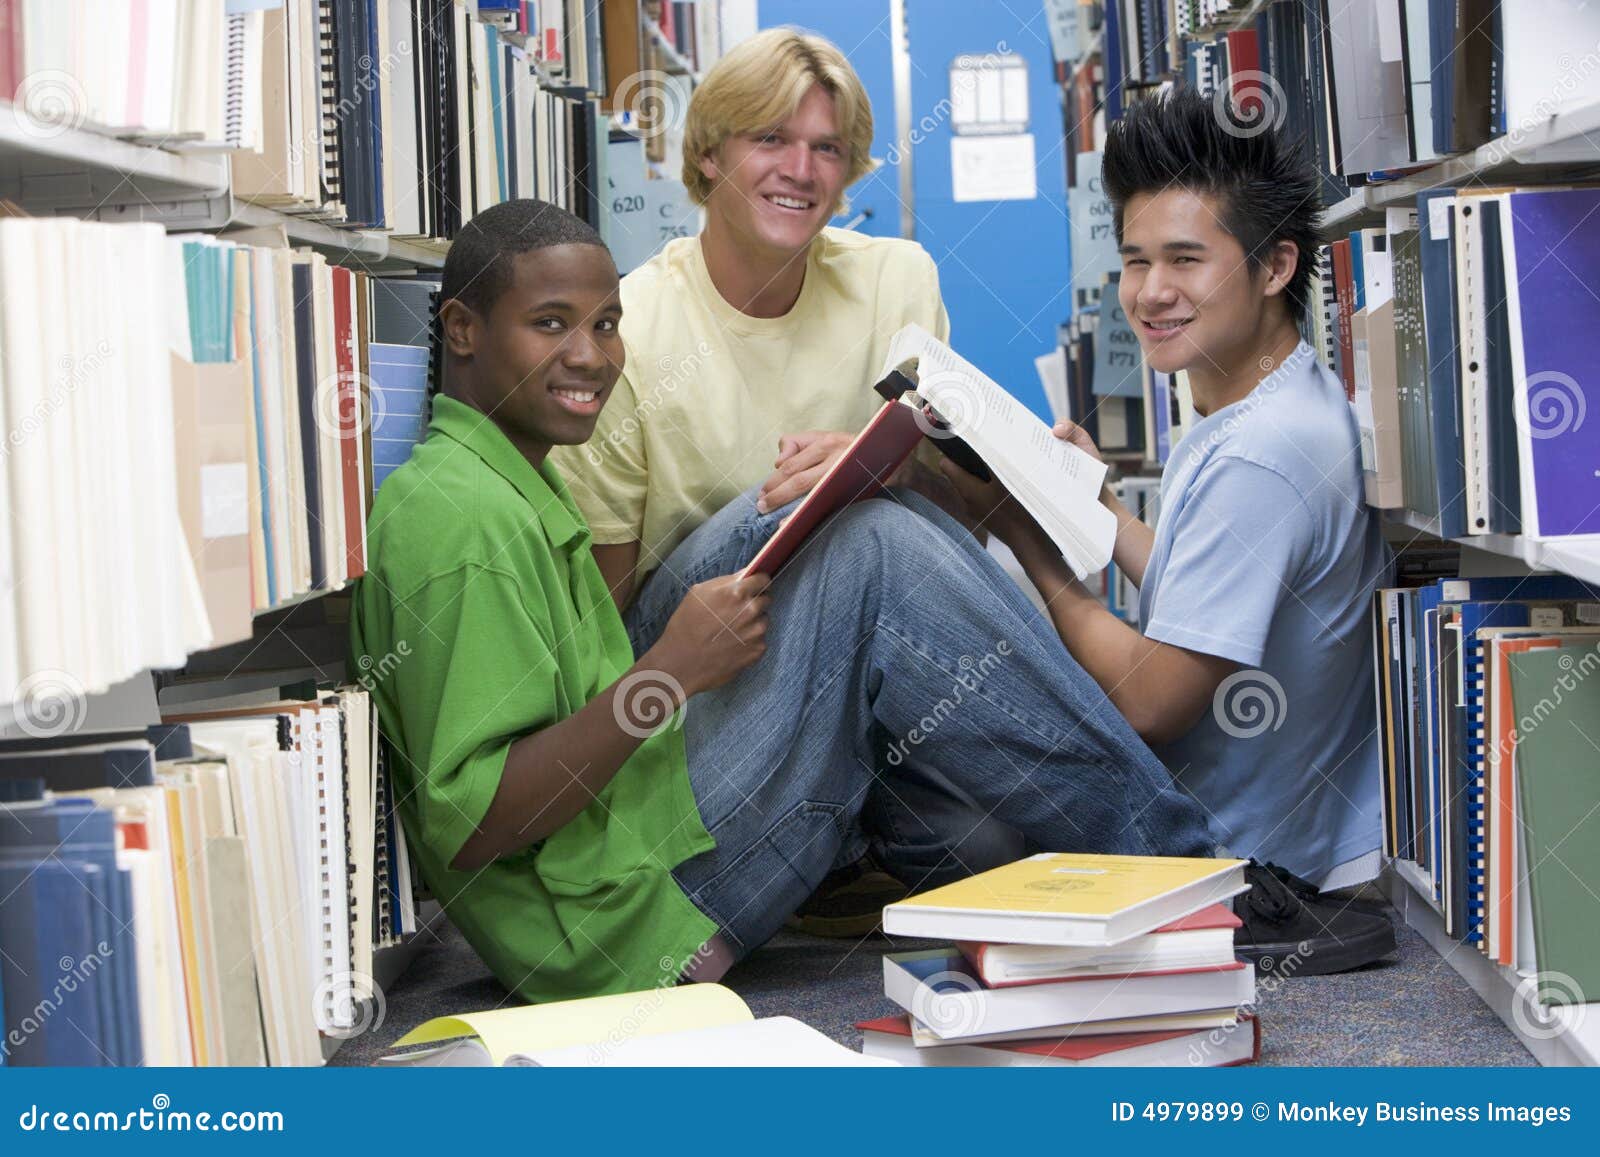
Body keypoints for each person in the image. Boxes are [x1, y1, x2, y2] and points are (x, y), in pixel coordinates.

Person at [348, 199, 1214, 1002]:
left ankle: (980, 831)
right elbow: (476, 827)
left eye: (607, 324)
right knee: (875, 551)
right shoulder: (462, 528)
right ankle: (1182, 862)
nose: (591, 356)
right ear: (461, 330)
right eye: (550, 325)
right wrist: (668, 676)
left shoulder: (499, 481)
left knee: (821, 498)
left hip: (619, 830)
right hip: (620, 922)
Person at [549, 28, 1024, 922]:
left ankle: (826, 823)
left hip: (854, 663)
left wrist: (877, 470)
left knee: (989, 847)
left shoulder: (897, 281)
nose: (800, 169)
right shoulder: (633, 327)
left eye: (827, 149)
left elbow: (959, 532)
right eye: (770, 139)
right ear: (707, 153)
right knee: (818, 511)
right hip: (699, 663)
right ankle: (1159, 845)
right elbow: (599, 631)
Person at [941, 88, 1395, 974]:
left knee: (893, 586)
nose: (1150, 293)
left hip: (1220, 850)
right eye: (1136, 260)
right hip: (1245, 818)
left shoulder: (1262, 452)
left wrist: (1027, 541)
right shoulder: (1265, 400)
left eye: (1186, 260)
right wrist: (1092, 510)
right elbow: (1210, 597)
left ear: (1273, 268)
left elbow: (1154, 701)